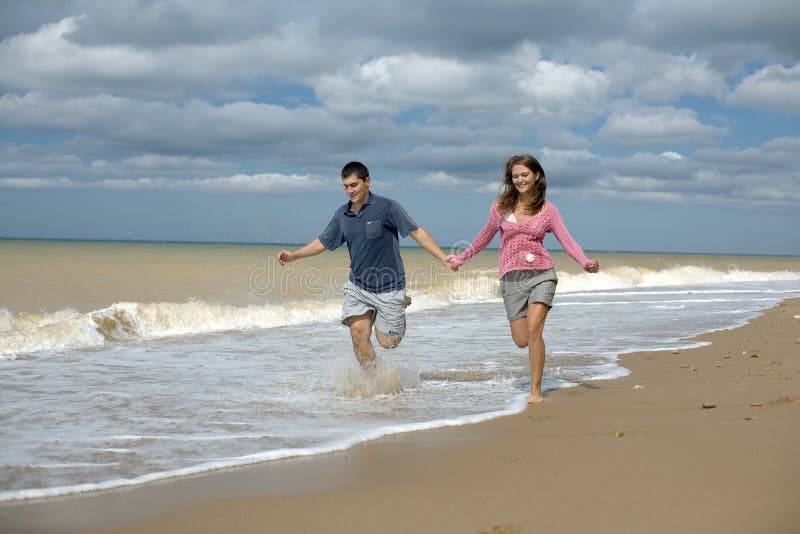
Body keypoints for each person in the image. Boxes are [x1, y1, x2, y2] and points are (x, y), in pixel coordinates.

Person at [450, 154, 599, 404]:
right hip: (511, 279)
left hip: (542, 275)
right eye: (515, 175)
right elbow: (484, 236)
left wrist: (584, 262)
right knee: (521, 340)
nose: (519, 179)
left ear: (537, 175)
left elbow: (567, 240)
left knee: (534, 329)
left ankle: (536, 390)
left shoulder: (549, 211)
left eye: (524, 174)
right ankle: (536, 370)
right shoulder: (501, 206)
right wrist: (460, 259)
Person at [278, 161, 454, 371]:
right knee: (358, 335)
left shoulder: (387, 207)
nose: (350, 190)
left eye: (354, 185)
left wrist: (442, 257)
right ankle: (373, 384)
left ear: (367, 182)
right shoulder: (342, 215)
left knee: (388, 343)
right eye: (346, 186)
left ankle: (400, 304)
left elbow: (416, 231)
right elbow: (323, 242)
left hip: (390, 286)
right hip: (358, 286)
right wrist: (294, 256)